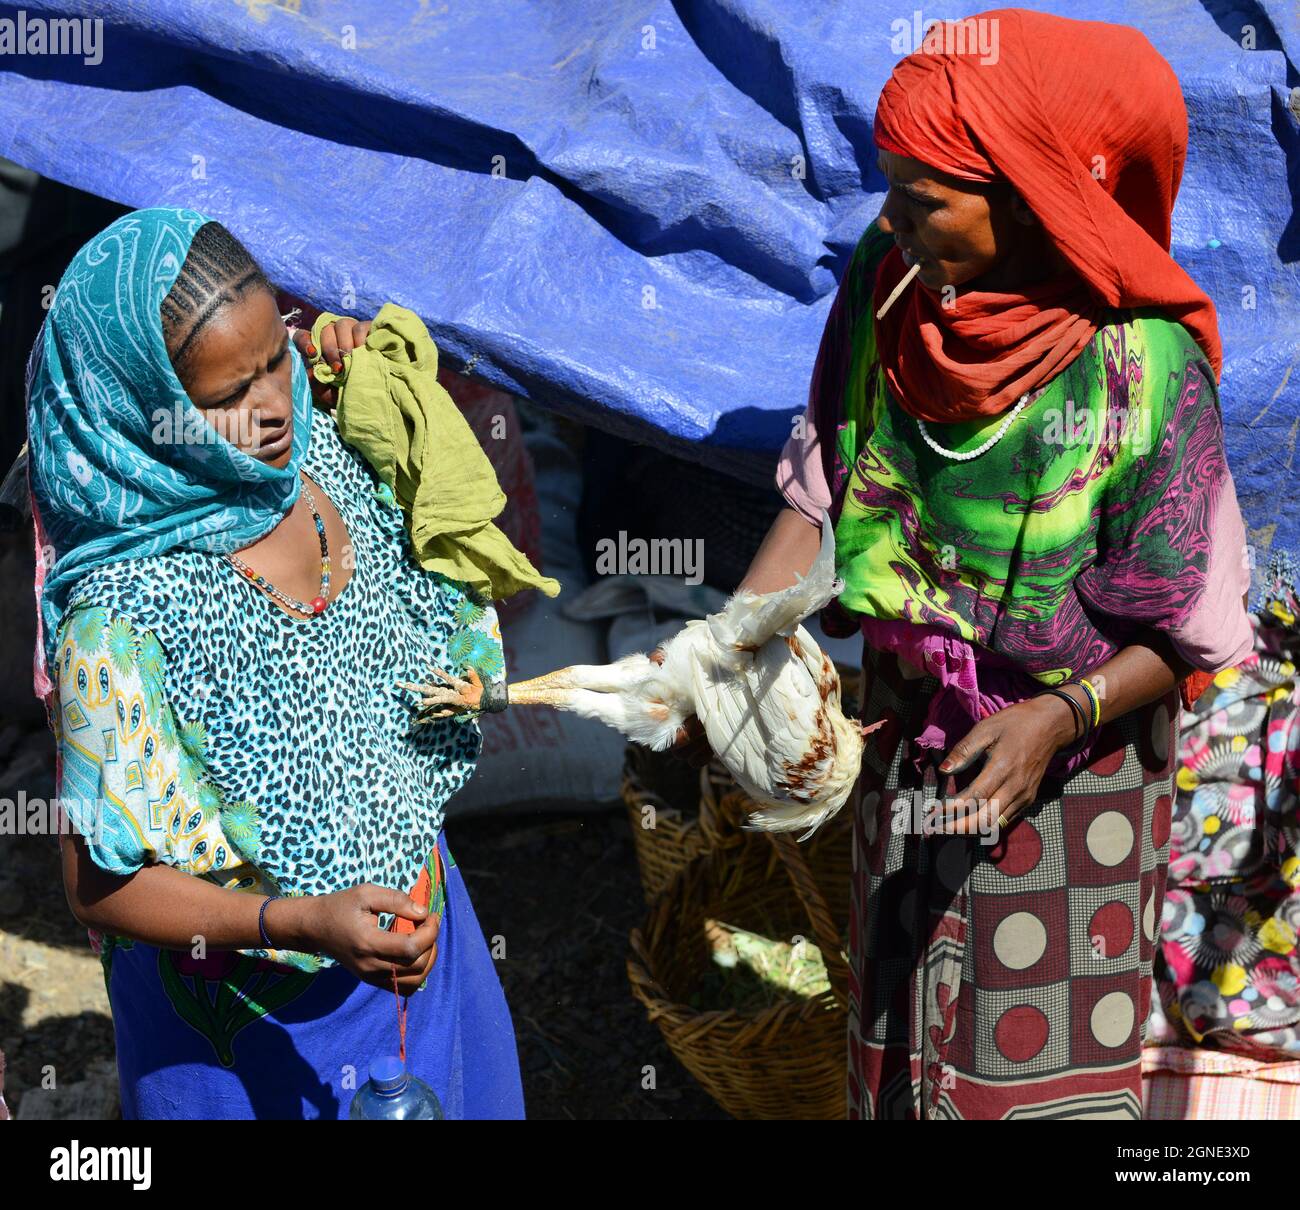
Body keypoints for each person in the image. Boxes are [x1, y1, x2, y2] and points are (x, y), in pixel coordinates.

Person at [677, 9, 1254, 1119]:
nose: (889, 220)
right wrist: (729, 647)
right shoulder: (889, 293)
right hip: (911, 734)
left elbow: (1184, 630)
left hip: (1069, 766)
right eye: (887, 188)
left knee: (1024, 1064)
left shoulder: (1140, 373)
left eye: (922, 195)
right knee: (900, 1039)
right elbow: (831, 484)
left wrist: (1054, 719)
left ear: (1034, 189)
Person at [27, 207, 524, 1119]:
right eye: (226, 396)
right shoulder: (123, 617)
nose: (269, 412)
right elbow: (98, 885)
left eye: (272, 361)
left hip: (414, 934)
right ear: (140, 410)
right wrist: (293, 921)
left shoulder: (327, 447)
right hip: (247, 1015)